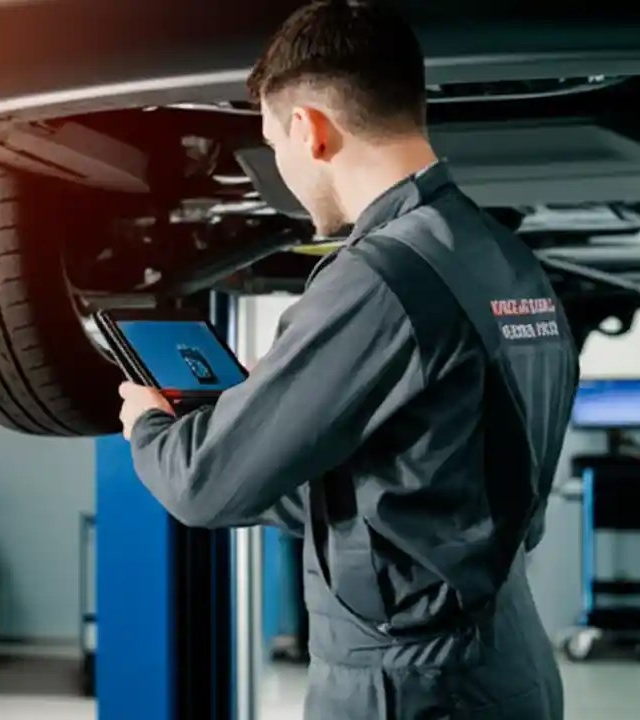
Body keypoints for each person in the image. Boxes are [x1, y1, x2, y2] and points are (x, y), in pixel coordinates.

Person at [117, 1, 579, 717]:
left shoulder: (379, 277)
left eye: (276, 145)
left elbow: (204, 485)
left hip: (408, 686)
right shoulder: (497, 255)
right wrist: (267, 438)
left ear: (310, 129)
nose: (285, 169)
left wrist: (151, 428)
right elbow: (424, 476)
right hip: (503, 658)